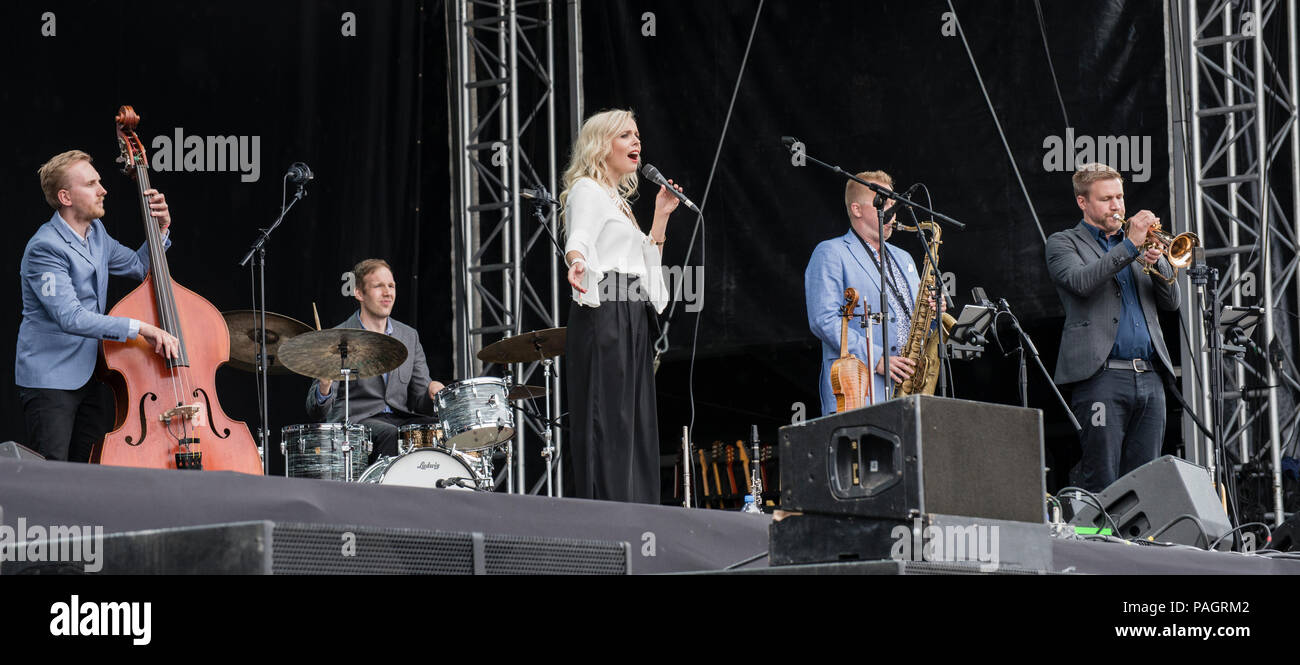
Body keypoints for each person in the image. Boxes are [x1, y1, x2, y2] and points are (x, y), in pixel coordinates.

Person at [16, 150, 180, 462]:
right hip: (51, 380)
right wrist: (141, 328)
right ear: (66, 196)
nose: (103, 190)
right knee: (51, 476)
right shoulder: (45, 248)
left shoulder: (96, 234)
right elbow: (71, 318)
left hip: (91, 375)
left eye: (100, 182)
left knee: (87, 471)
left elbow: (137, 265)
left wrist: (160, 230)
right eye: (92, 184)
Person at [561, 108, 685, 504]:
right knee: (608, 418)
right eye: (626, 136)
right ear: (602, 145)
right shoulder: (587, 190)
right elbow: (578, 236)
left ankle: (640, 515)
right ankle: (610, 519)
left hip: (632, 309)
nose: (637, 142)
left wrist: (660, 217)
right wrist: (577, 261)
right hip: (607, 310)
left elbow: (646, 264)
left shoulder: (620, 203)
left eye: (637, 135)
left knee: (637, 421)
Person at [1046, 163, 1180, 492]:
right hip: (1101, 378)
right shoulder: (1063, 243)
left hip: (1149, 376)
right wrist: (1131, 247)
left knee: (1147, 480)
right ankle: (1101, 544)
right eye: (1106, 199)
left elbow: (1172, 302)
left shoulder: (1135, 244)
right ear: (1083, 202)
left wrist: (1158, 260)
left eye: (1119, 197)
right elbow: (1081, 281)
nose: (1117, 205)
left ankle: (1143, 544)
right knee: (1102, 477)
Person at [805, 170, 923, 416]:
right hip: (858, 388)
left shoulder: (905, 258)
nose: (891, 212)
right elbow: (823, 320)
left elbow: (915, 322)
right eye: (882, 204)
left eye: (892, 204)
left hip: (911, 388)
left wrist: (932, 311)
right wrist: (877, 358)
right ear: (857, 210)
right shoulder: (830, 252)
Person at [305, 259, 446, 464]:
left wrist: (431, 391)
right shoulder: (337, 338)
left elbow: (419, 401)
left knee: (440, 431)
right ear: (359, 293)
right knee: (392, 434)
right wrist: (324, 387)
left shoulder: (408, 336)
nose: (387, 292)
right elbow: (316, 411)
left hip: (400, 419)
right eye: (378, 286)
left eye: (391, 286)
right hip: (357, 423)